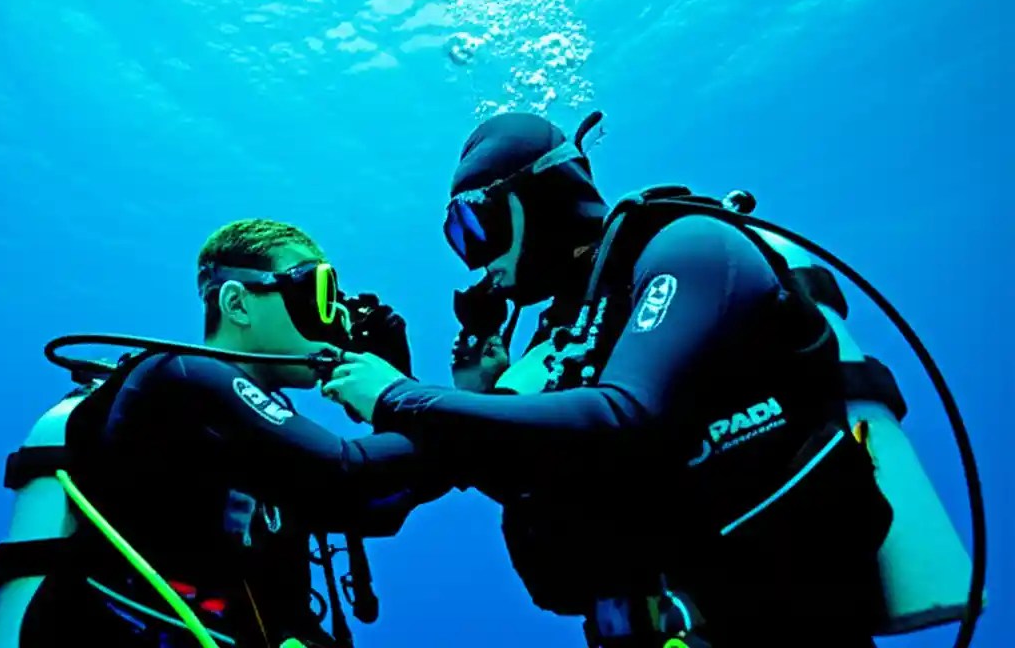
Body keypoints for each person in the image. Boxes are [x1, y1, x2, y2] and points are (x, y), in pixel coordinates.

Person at [320, 112, 907, 648]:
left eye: (477, 226)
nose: (475, 260)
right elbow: (468, 466)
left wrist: (397, 396)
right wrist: (456, 395)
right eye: (459, 239)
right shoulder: (566, 337)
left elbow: (626, 418)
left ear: (535, 197)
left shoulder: (691, 248)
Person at [0, 218, 440, 648]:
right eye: (317, 292)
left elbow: (375, 509)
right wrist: (421, 403)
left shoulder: (254, 425)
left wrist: (420, 406)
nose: (335, 321)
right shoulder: (184, 377)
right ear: (238, 303)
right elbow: (349, 472)